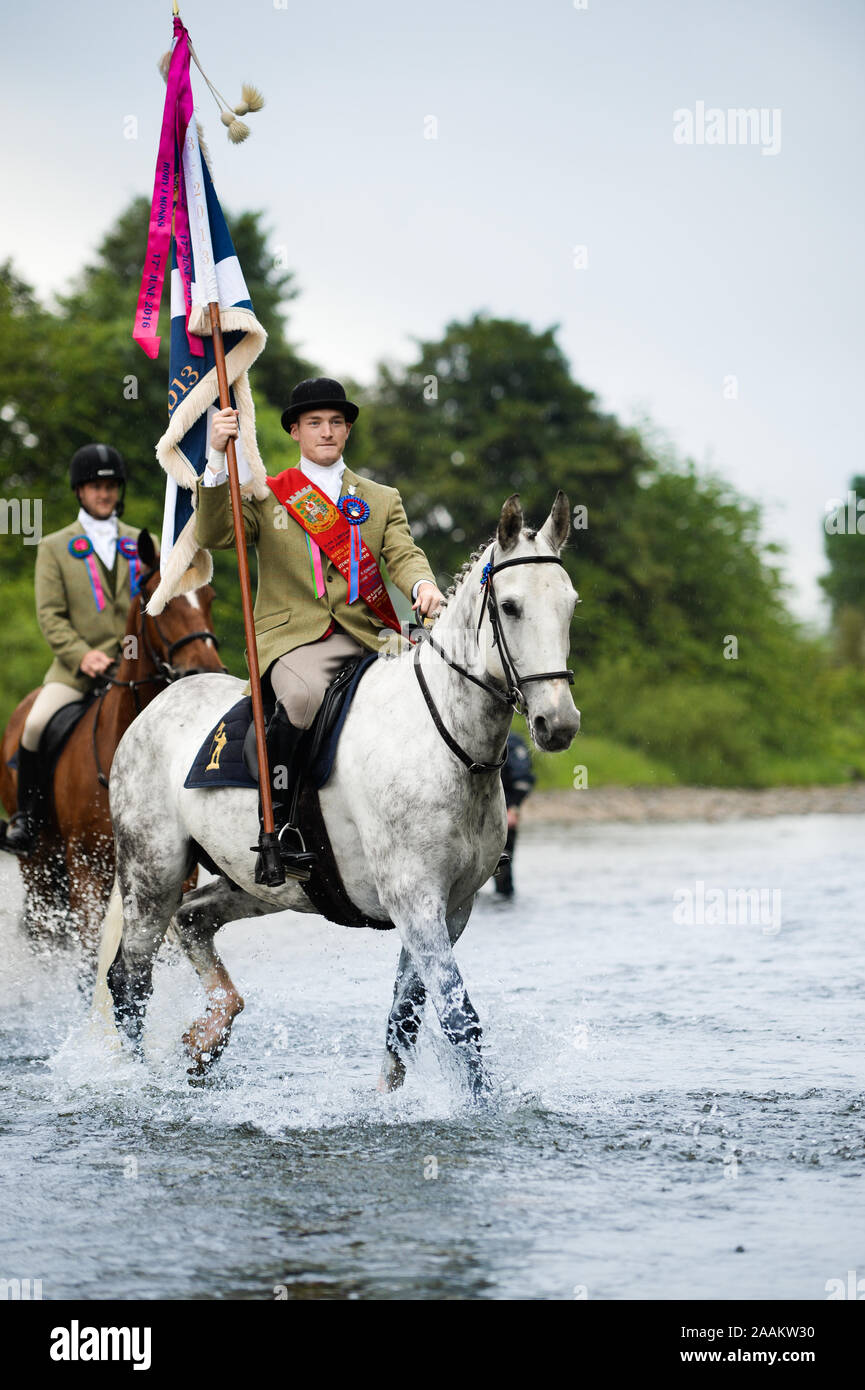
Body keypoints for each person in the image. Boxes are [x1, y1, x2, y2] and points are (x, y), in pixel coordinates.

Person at [195, 376, 445, 878]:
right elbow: (215, 533)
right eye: (315, 423)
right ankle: (278, 829)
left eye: (336, 423)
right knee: (304, 700)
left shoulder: (380, 497)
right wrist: (217, 461)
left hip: (373, 636)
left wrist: (423, 587)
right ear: (295, 431)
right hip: (294, 638)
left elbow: (404, 556)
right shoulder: (266, 494)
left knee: (446, 686)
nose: (326, 432)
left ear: (347, 430)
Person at [3, 445, 141, 855]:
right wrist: (83, 654)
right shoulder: (54, 546)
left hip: (135, 670)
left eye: (111, 485)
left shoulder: (140, 542)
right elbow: (51, 616)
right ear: (80, 491)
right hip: (77, 671)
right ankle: (27, 818)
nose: (105, 493)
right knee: (33, 725)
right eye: (96, 486)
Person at [493, 731, 536, 898]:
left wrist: (513, 809)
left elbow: (523, 780)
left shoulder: (512, 742)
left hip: (503, 816)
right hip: (474, 817)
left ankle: (505, 909)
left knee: (502, 872)